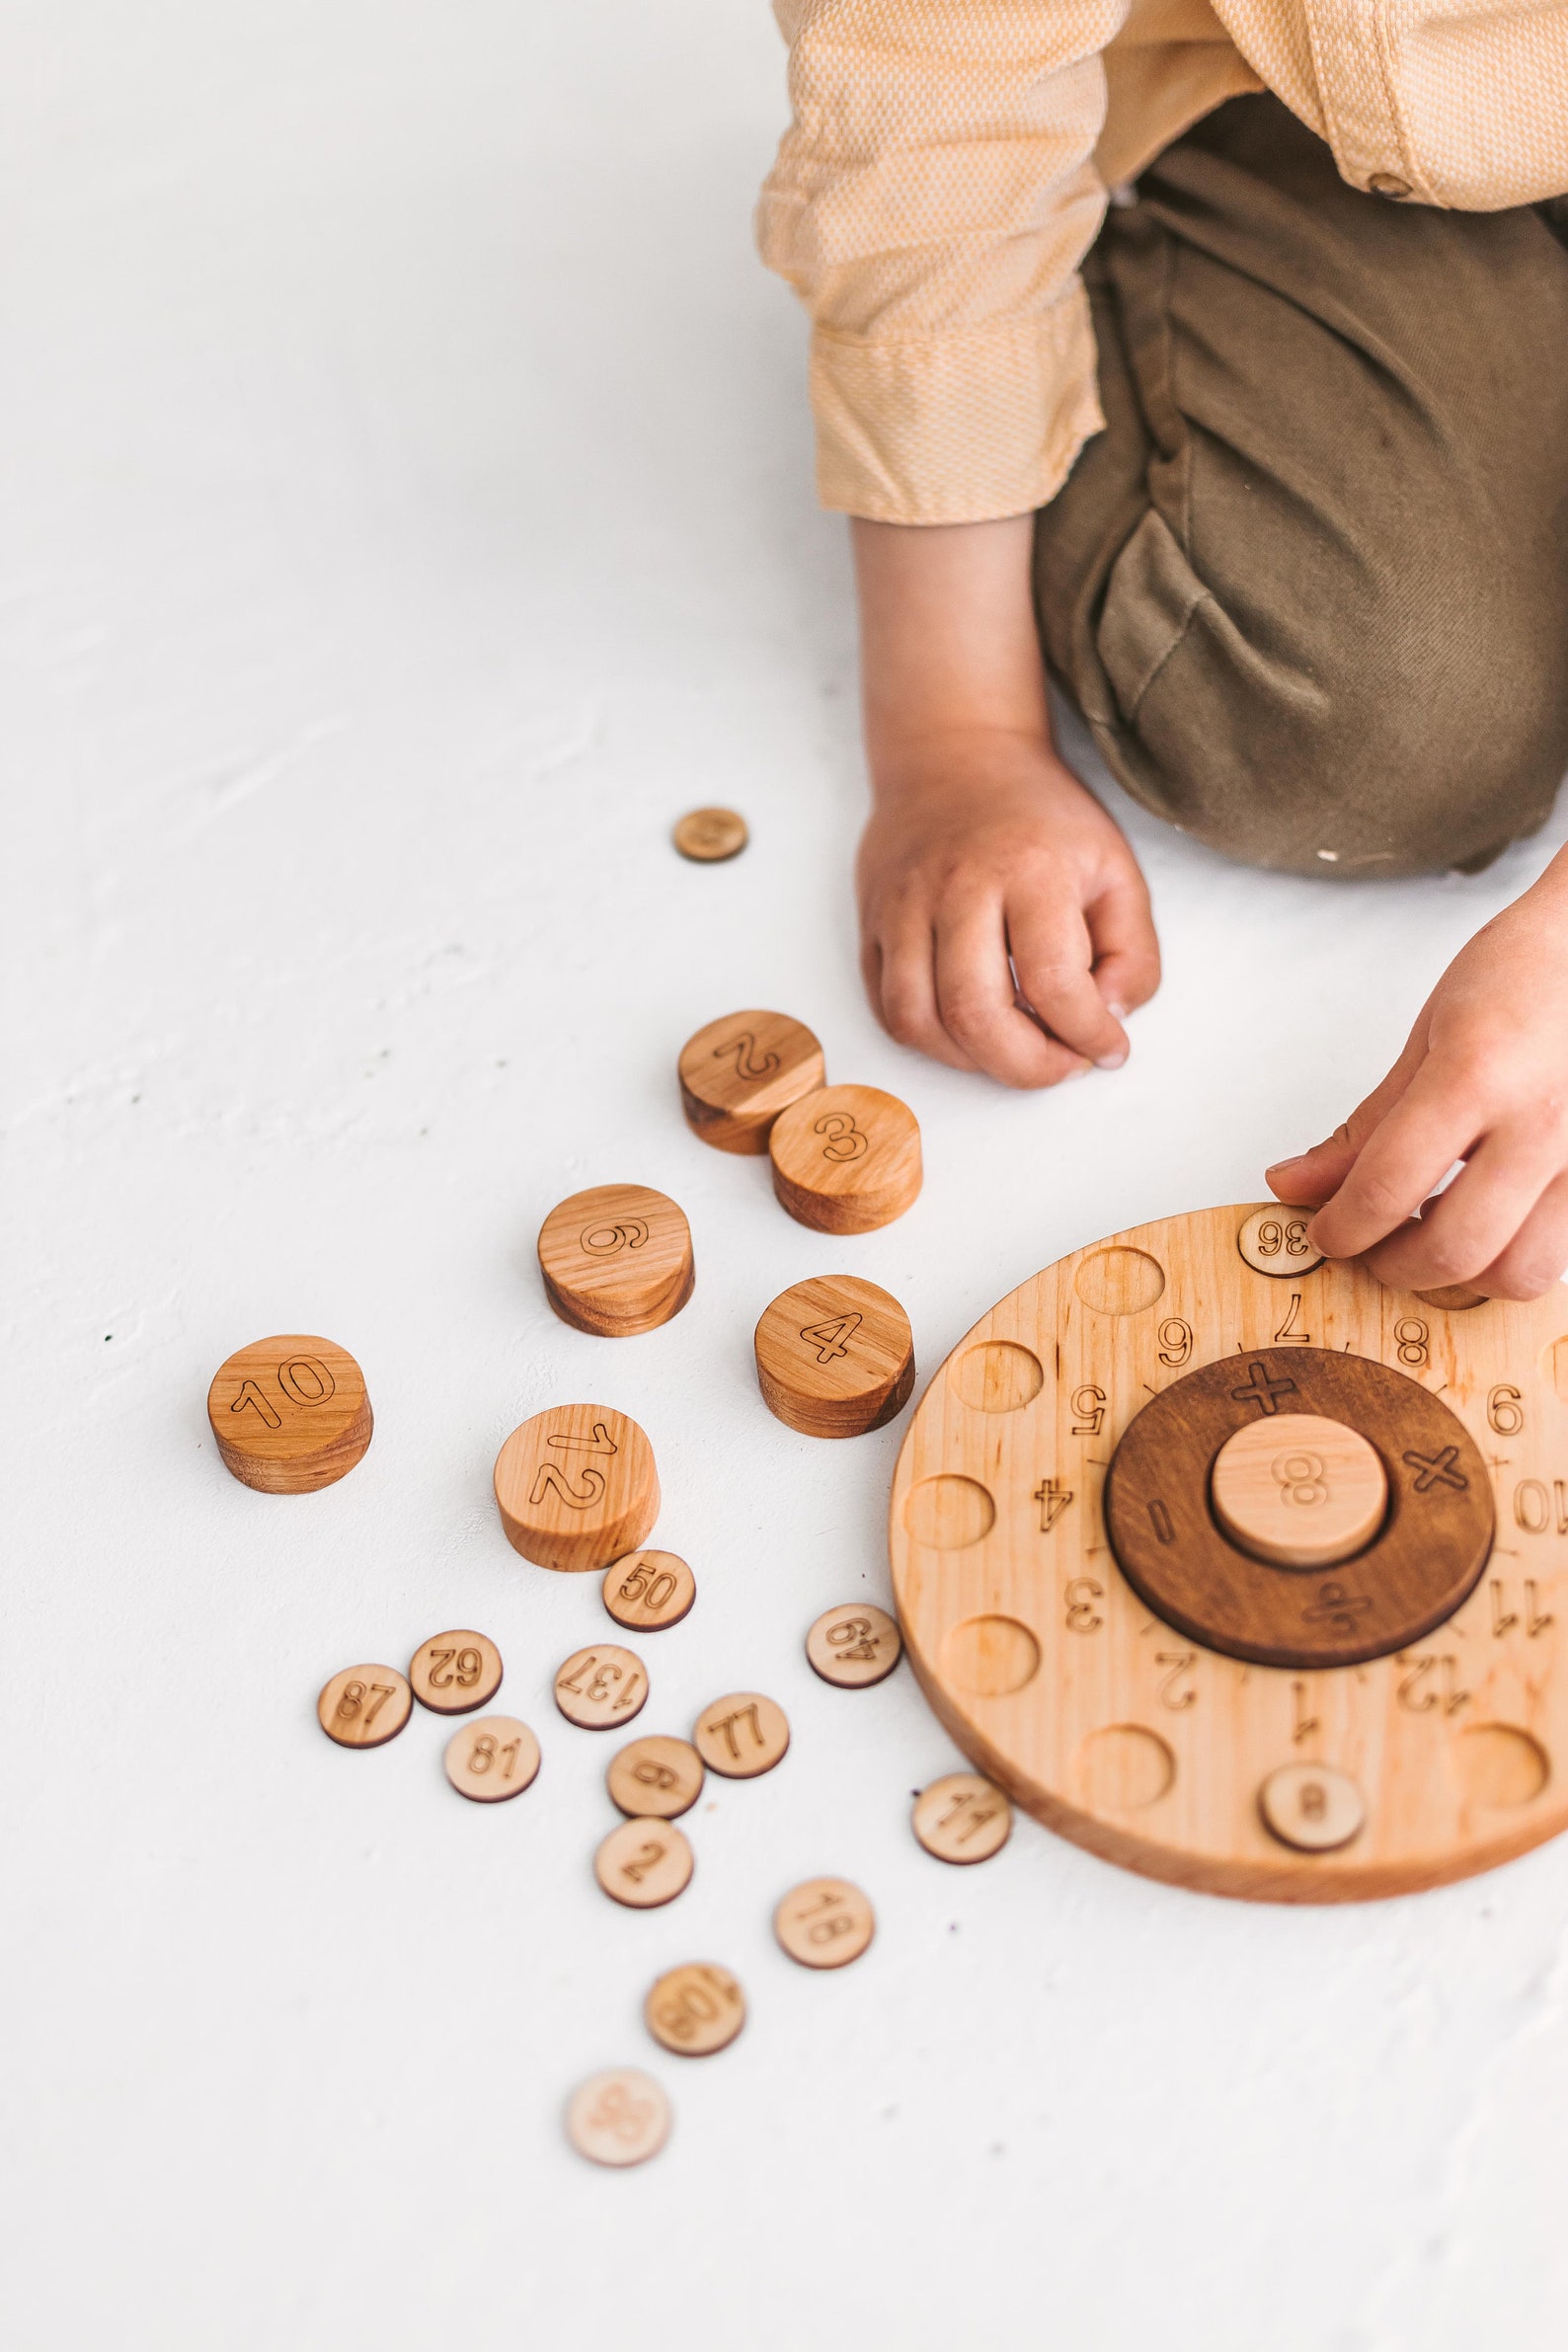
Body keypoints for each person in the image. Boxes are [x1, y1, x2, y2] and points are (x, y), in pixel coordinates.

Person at [756, 0, 1568, 1299]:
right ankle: (1109, 271)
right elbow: (931, 84)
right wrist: (955, 738)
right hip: (1260, 92)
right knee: (1367, 716)